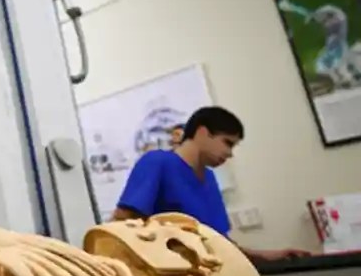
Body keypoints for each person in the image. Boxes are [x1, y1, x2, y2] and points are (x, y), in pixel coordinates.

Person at [113, 106, 310, 262]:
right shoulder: (157, 162)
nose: (230, 153)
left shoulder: (210, 179)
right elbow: (122, 225)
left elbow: (220, 245)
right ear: (202, 132)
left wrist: (267, 256)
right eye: (228, 143)